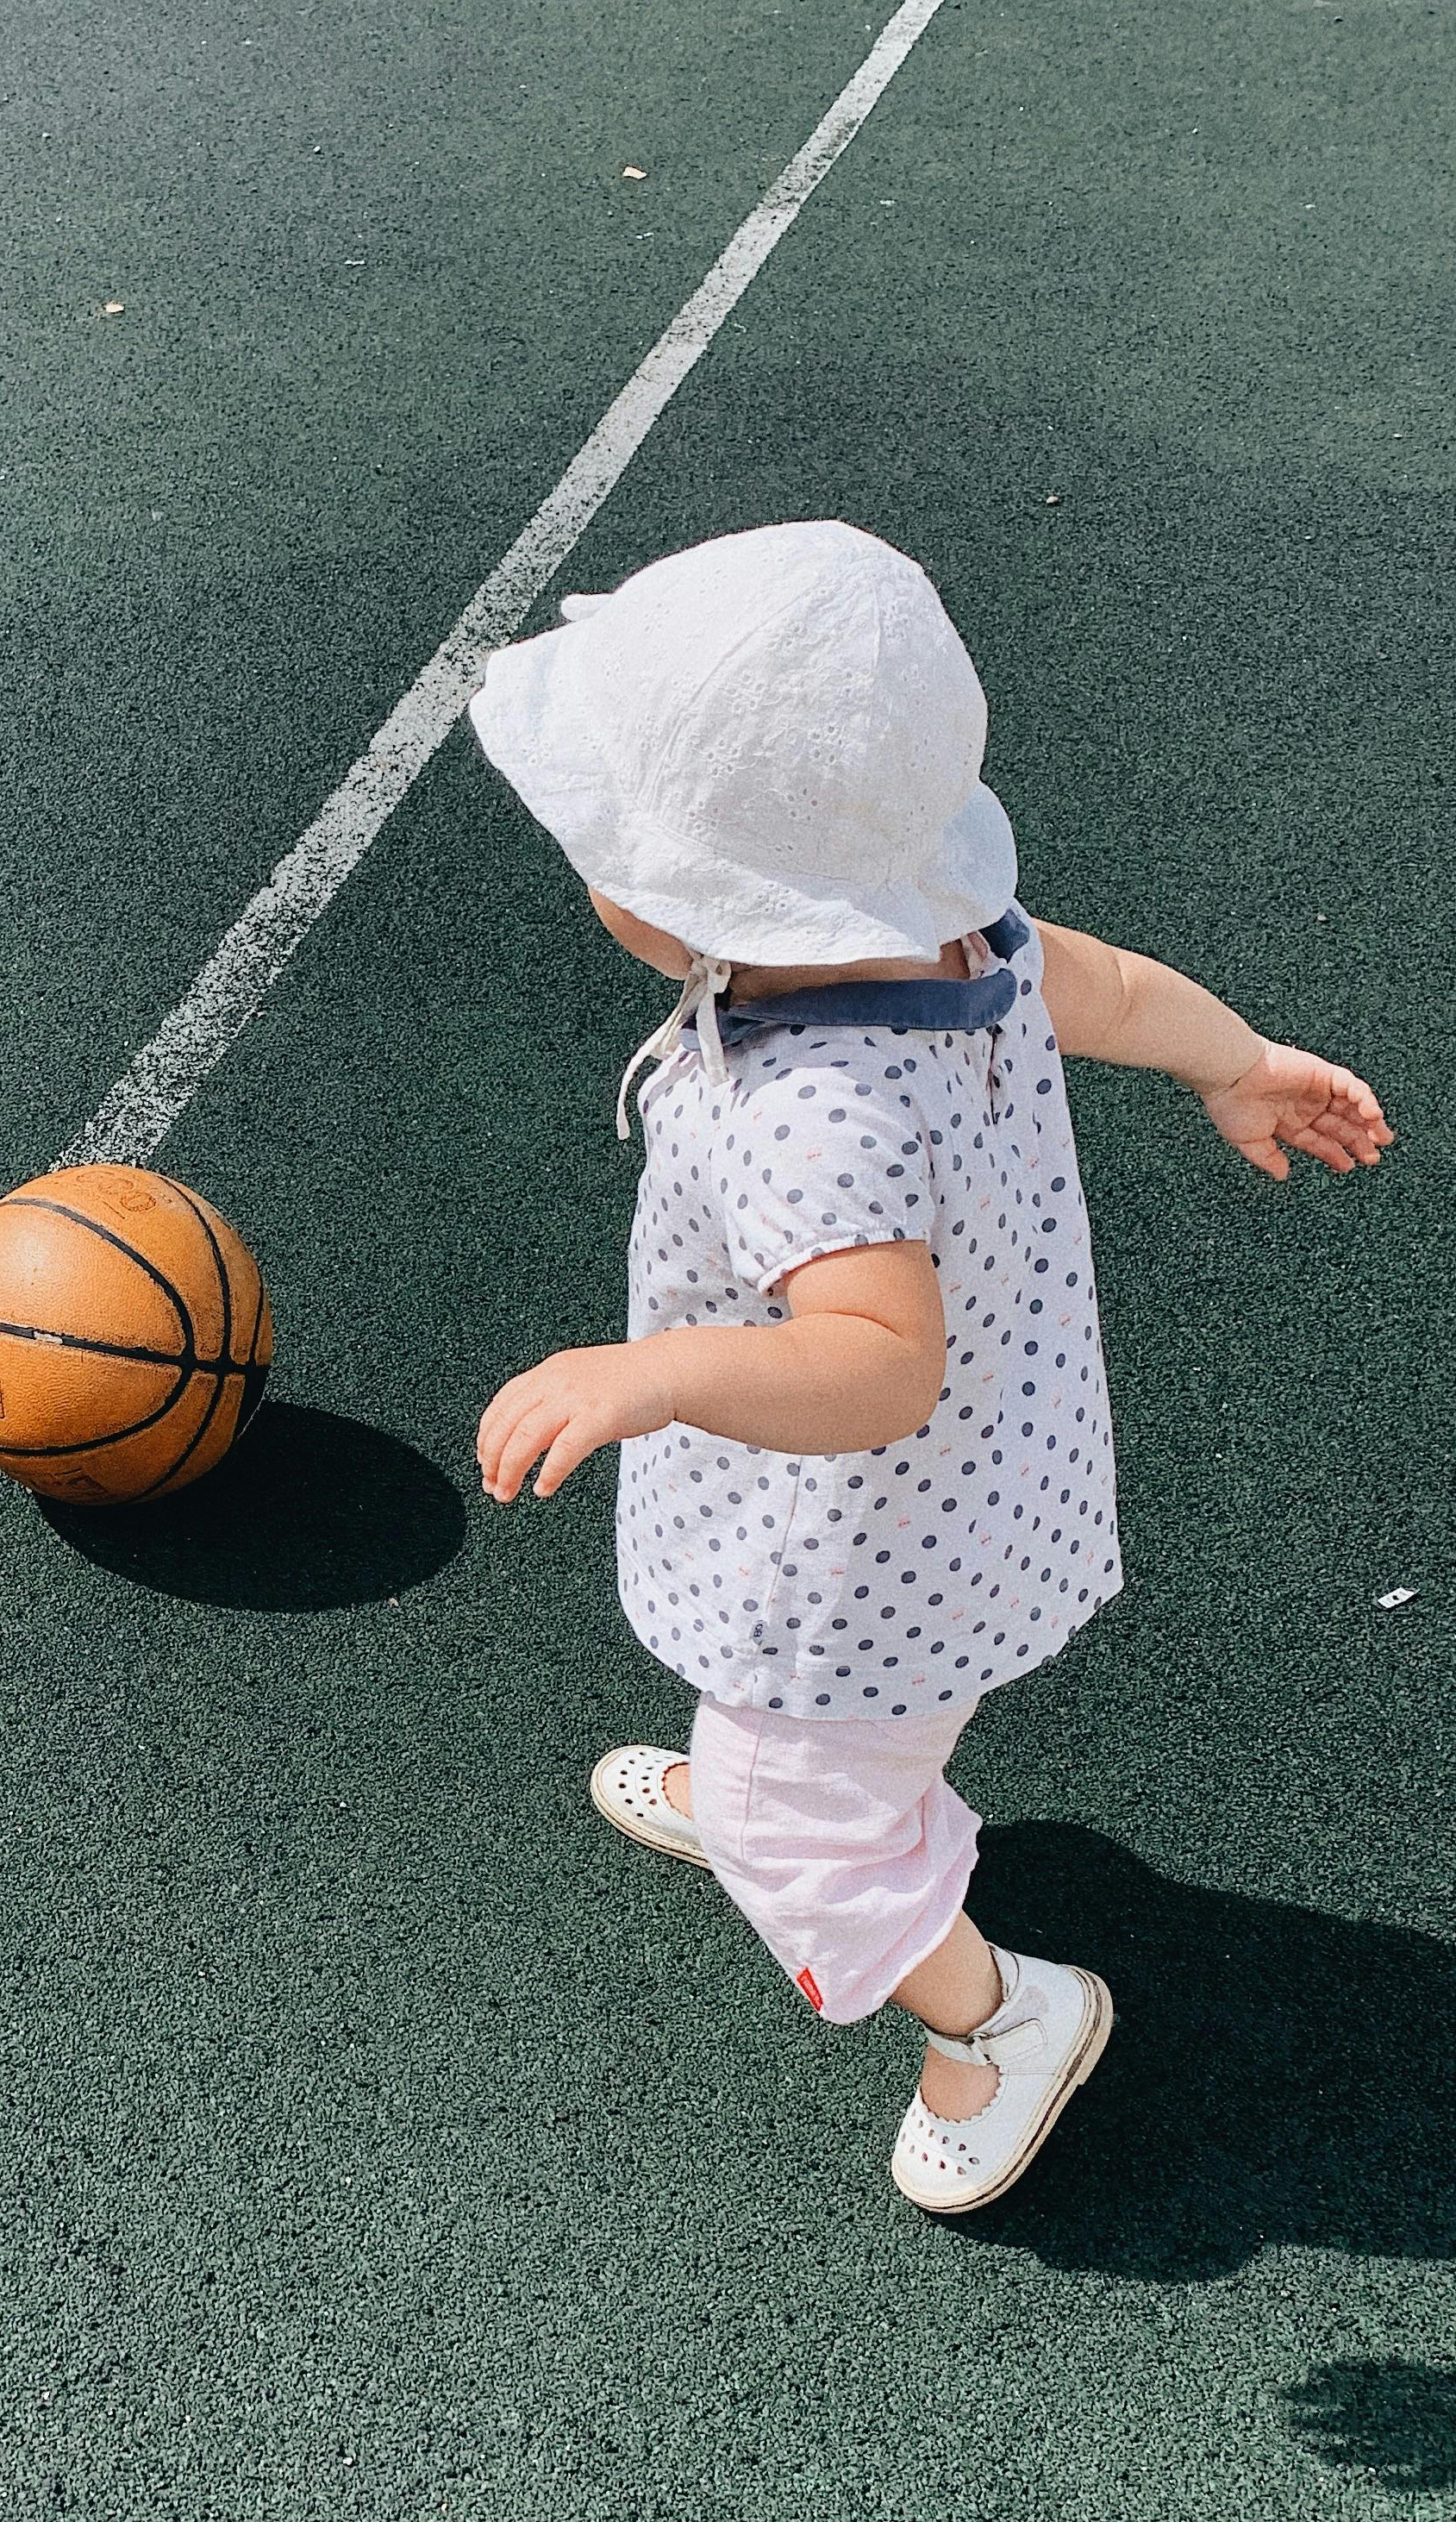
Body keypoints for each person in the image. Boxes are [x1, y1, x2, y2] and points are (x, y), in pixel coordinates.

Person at [468, 523, 1390, 2215]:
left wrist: (648, 1375)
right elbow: (1095, 982)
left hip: (873, 1543)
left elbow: (878, 1367)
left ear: (693, 892)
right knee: (813, 1749)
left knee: (803, 1825)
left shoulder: (819, 1101)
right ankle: (790, 1788)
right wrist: (1234, 1060)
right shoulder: (957, 949)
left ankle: (996, 2014)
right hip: (970, 1489)